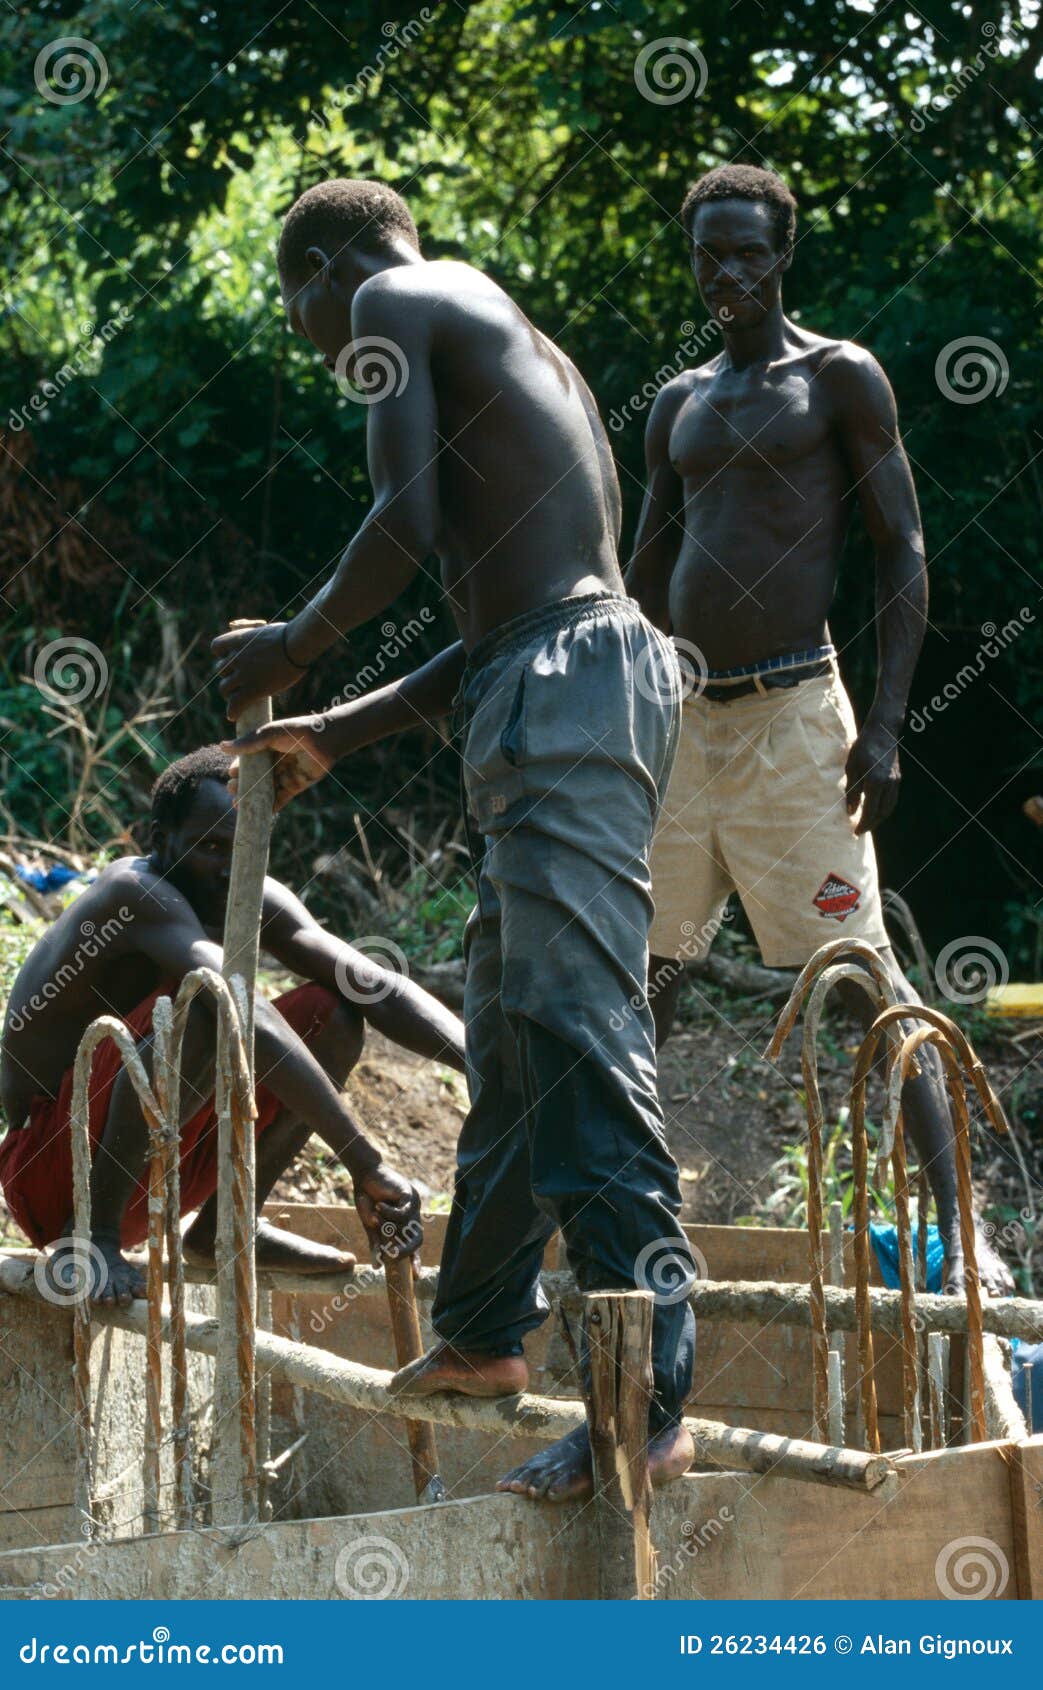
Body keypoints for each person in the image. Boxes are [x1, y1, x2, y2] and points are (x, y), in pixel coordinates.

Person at [216, 178, 696, 1502]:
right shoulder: (496, 325)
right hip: (551, 677)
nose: (323, 348)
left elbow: (402, 525)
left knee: (579, 1033)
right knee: (511, 1031)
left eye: (299, 316)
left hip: (569, 691)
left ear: (318, 270)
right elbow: (494, 620)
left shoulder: (387, 299)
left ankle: (648, 1402)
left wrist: (288, 639)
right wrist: (332, 724)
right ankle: (482, 1333)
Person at [625, 163, 1010, 1293]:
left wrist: (884, 724)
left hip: (799, 714)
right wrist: (614, 691)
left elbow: (900, 548)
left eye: (746, 252)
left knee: (861, 980)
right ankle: (630, 1223)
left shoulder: (837, 378)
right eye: (708, 254)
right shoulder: (676, 403)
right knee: (649, 975)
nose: (727, 273)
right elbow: (645, 564)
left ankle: (966, 1240)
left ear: (780, 254)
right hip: (685, 721)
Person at [0, 745, 465, 1306]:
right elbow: (239, 1005)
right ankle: (94, 1240)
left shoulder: (248, 892)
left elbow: (371, 984)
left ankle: (229, 1225)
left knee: (333, 1013)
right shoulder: (134, 894)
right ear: (161, 840)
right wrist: (366, 1164)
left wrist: (483, 1062)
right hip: (54, 1176)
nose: (229, 866)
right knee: (207, 1001)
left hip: (156, 1167)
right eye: (210, 846)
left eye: (245, 848)